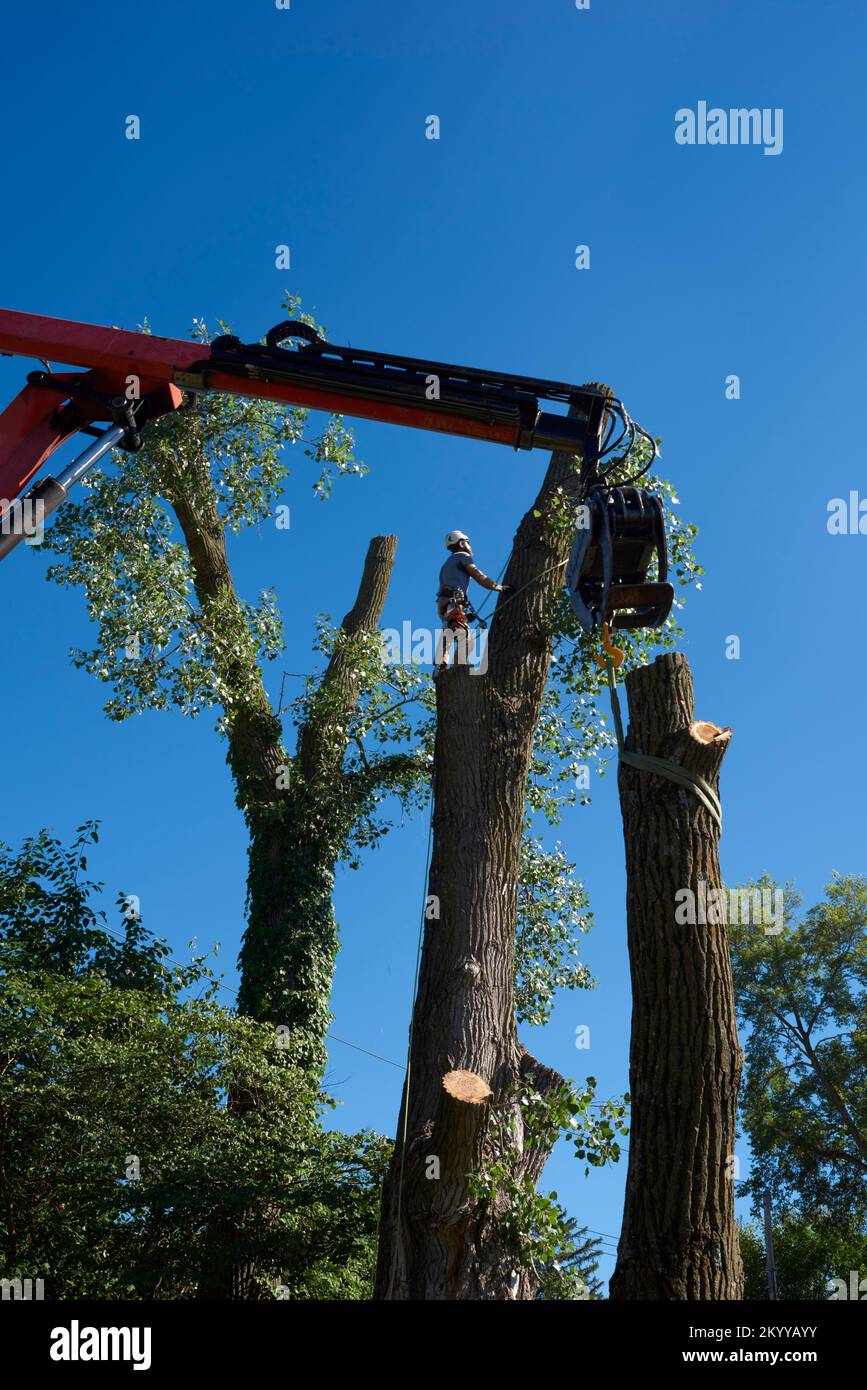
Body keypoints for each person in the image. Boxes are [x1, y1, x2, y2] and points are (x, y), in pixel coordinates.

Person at [435, 530, 512, 671]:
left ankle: (443, 662)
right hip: (454, 601)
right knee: (466, 638)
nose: (470, 547)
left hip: (444, 603)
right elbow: (477, 574)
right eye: (468, 543)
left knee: (452, 629)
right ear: (462, 543)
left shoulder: (448, 563)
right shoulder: (463, 556)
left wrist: (464, 615)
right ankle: (457, 667)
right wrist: (498, 587)